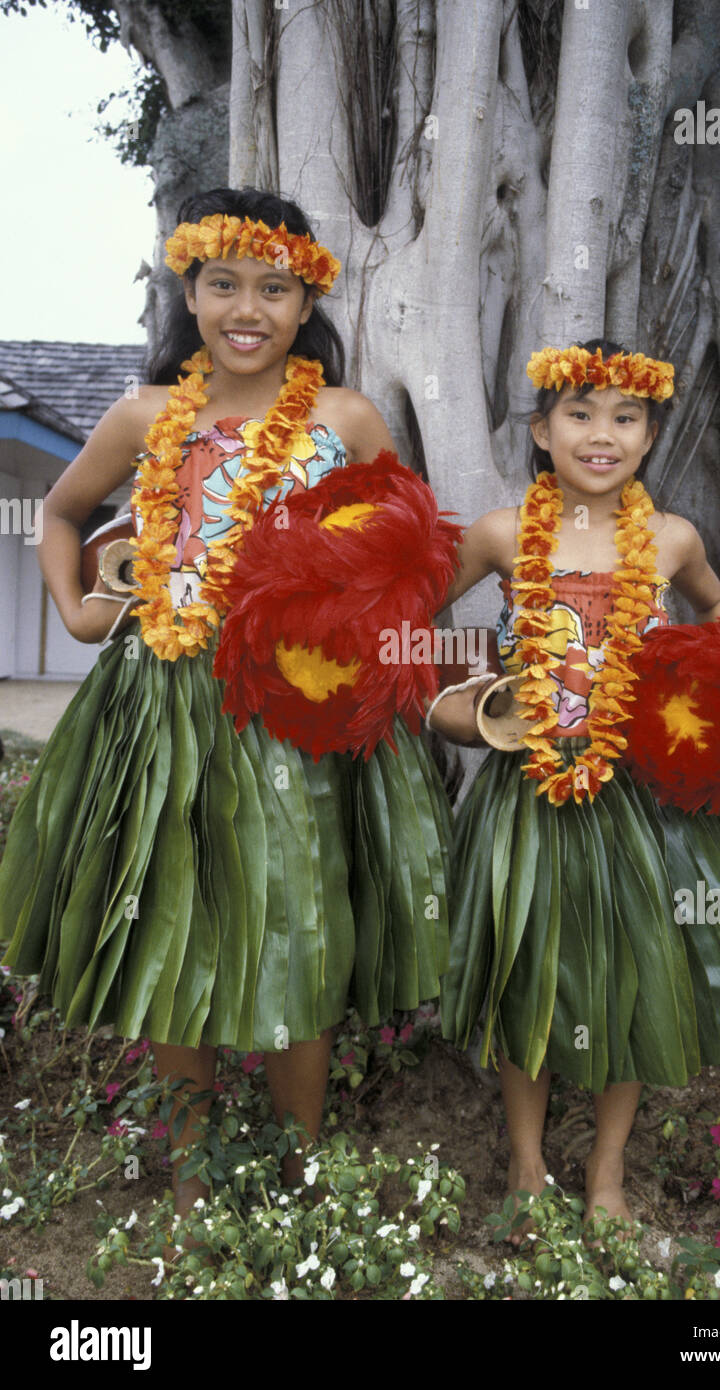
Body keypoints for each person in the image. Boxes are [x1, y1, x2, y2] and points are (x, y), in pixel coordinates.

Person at [0, 187, 452, 1225]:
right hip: (161, 706)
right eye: (222, 285)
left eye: (273, 288)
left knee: (300, 921)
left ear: (306, 303)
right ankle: (195, 1176)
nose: (247, 308)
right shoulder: (146, 415)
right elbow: (65, 513)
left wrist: (358, 629)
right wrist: (75, 612)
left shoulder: (344, 417)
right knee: (174, 920)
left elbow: (409, 550)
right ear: (189, 293)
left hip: (299, 713)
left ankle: (296, 1167)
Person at [432, 339, 720, 1239]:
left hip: (646, 806)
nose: (601, 435)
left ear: (650, 435)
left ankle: (608, 1172)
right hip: (527, 798)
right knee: (526, 976)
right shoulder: (500, 534)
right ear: (541, 431)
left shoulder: (671, 539)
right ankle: (526, 1160)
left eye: (625, 418)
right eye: (579, 415)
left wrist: (719, 687)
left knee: (638, 976)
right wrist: (460, 703)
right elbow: (406, 626)